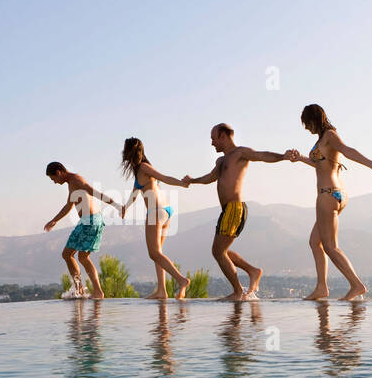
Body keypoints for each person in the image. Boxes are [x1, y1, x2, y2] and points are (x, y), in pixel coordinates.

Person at [284, 103, 372, 301]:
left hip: (328, 194)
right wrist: (300, 158)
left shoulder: (330, 135)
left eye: (307, 123)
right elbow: (319, 164)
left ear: (314, 119)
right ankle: (322, 288)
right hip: (333, 194)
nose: (306, 128)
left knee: (330, 246)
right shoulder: (323, 139)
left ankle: (357, 285)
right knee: (315, 242)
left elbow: (348, 151)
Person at [183, 123, 291, 301]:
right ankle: (252, 271)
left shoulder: (240, 153)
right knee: (221, 250)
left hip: (235, 208)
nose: (212, 143)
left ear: (223, 136)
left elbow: (262, 156)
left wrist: (283, 156)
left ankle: (238, 291)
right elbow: (210, 177)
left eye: (213, 138)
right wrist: (192, 180)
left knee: (218, 252)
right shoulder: (221, 161)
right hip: (227, 210)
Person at [119, 138, 190, 299]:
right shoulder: (139, 170)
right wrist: (125, 207)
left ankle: (181, 280)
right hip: (165, 211)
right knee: (158, 253)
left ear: (129, 151)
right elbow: (134, 194)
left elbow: (163, 178)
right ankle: (162, 291)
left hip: (156, 212)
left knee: (154, 253)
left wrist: (181, 183)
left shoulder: (144, 167)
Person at [43, 161, 124, 300]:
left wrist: (117, 205)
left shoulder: (76, 180)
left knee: (81, 257)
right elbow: (69, 205)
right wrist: (54, 220)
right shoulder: (71, 183)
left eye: (53, 179)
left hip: (91, 221)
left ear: (58, 172)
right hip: (87, 221)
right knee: (68, 254)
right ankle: (79, 289)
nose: (55, 182)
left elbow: (95, 192)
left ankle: (96, 291)